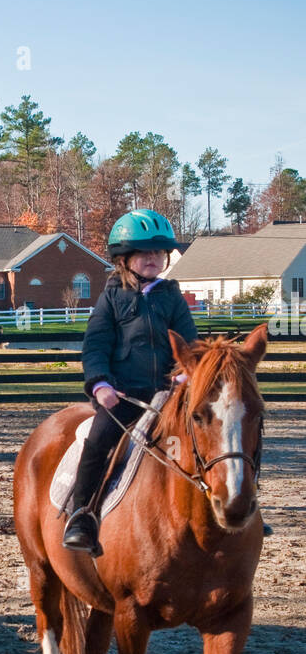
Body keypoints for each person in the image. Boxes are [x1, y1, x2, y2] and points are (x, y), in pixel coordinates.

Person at [61, 209, 198, 557]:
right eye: (144, 253)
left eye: (158, 253)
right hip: (122, 396)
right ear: (125, 259)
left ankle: (232, 507)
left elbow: (190, 345)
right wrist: (101, 385)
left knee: (212, 435)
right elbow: (95, 347)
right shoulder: (111, 298)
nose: (152, 259)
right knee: (98, 440)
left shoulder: (172, 298)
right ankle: (82, 515)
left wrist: (184, 376)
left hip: (168, 395)